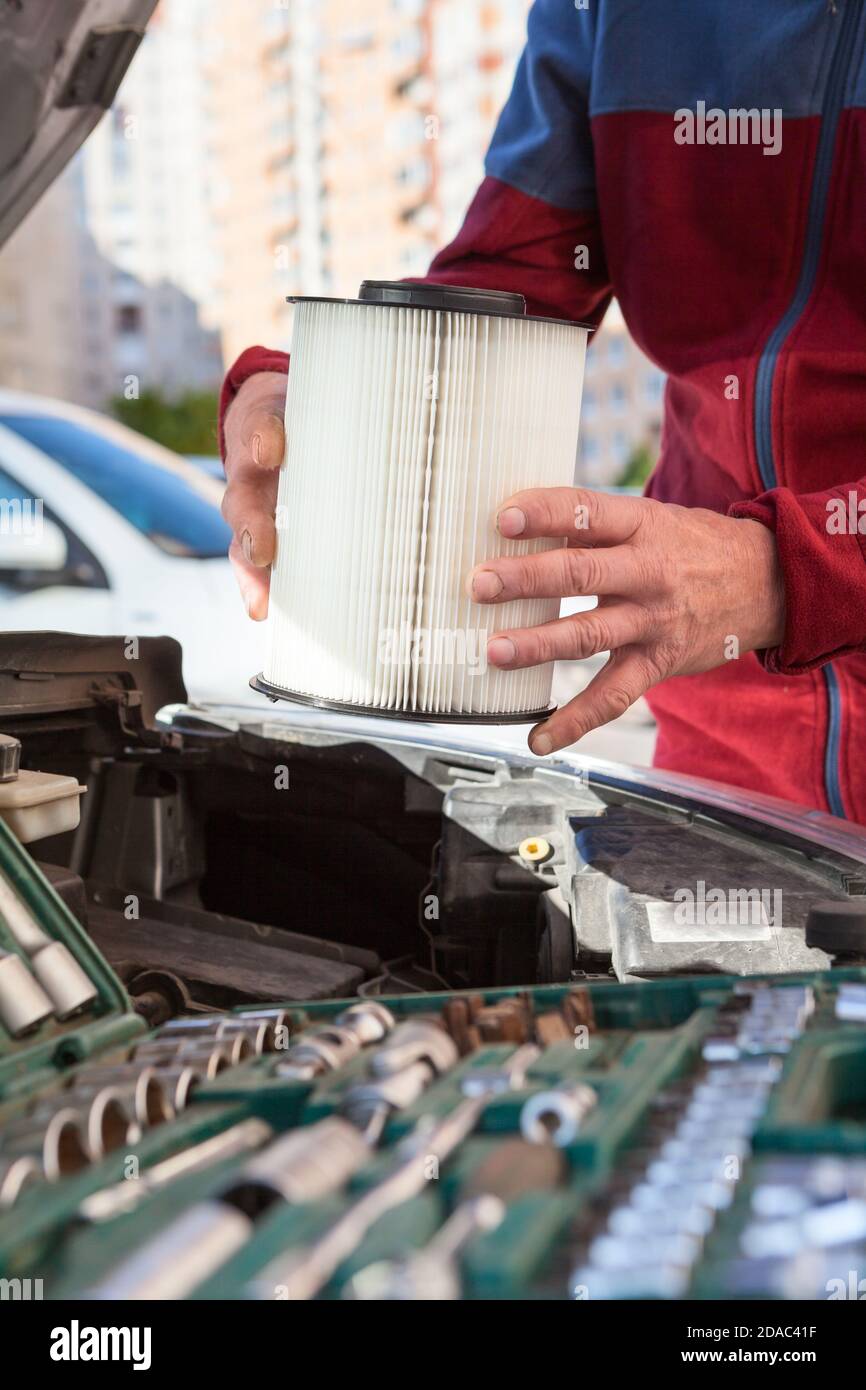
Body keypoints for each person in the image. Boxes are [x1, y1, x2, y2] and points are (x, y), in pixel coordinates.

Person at [219, 0, 866, 823]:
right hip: (722, 743)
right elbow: (517, 283)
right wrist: (304, 392)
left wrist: (788, 572)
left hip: (732, 624)